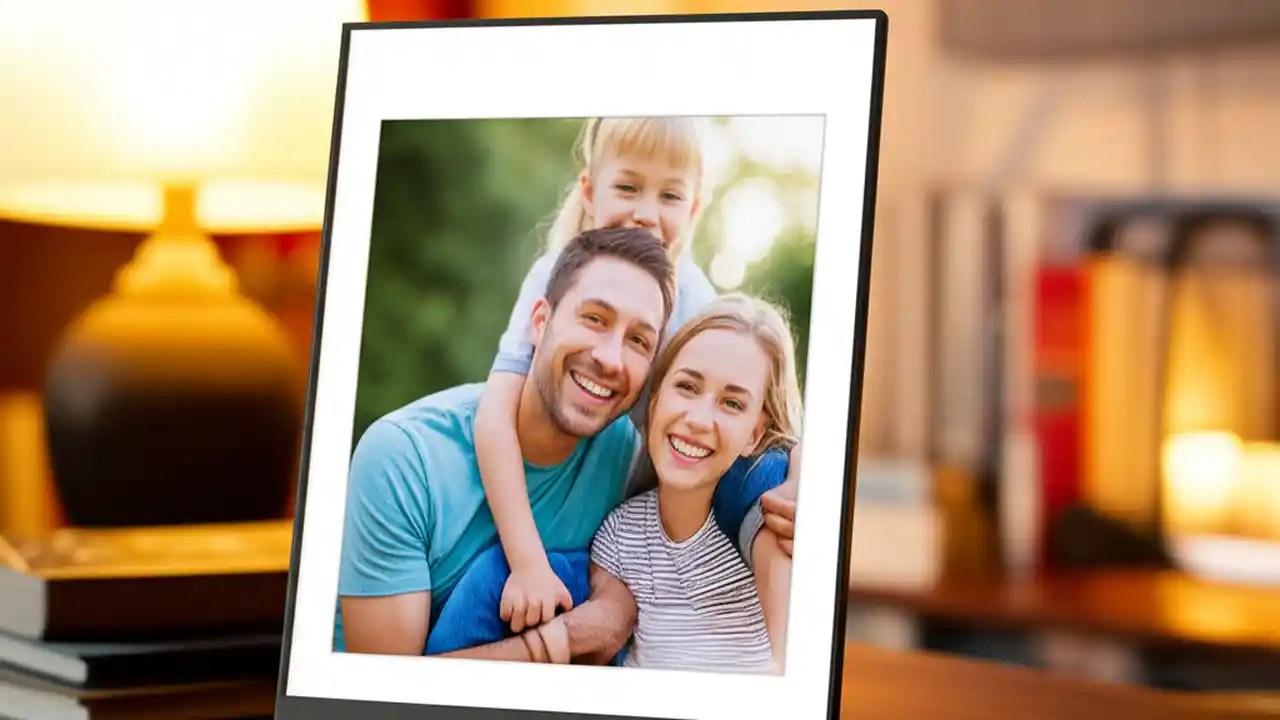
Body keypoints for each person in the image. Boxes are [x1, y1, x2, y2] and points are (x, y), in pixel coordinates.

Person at [337, 227, 781, 662]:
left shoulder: (632, 457)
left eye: (638, 341)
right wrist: (564, 639)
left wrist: (797, 478)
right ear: (539, 321)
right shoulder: (404, 458)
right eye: (594, 319)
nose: (609, 358)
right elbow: (386, 691)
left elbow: (741, 453)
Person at [474, 117, 798, 636]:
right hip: (584, 519)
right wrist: (527, 563)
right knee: (488, 581)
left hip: (667, 503)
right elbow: (495, 414)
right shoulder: (557, 276)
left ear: (693, 210)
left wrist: (800, 476)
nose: (646, 213)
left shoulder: (696, 302)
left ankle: (785, 651)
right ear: (590, 192)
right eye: (628, 187)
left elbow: (761, 415)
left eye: (670, 196)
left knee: (770, 478)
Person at [428, 295, 800, 673]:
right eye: (687, 387)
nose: (699, 420)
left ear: (754, 434)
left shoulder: (773, 517)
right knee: (493, 573)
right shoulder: (621, 535)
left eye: (732, 404)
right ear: (655, 400)